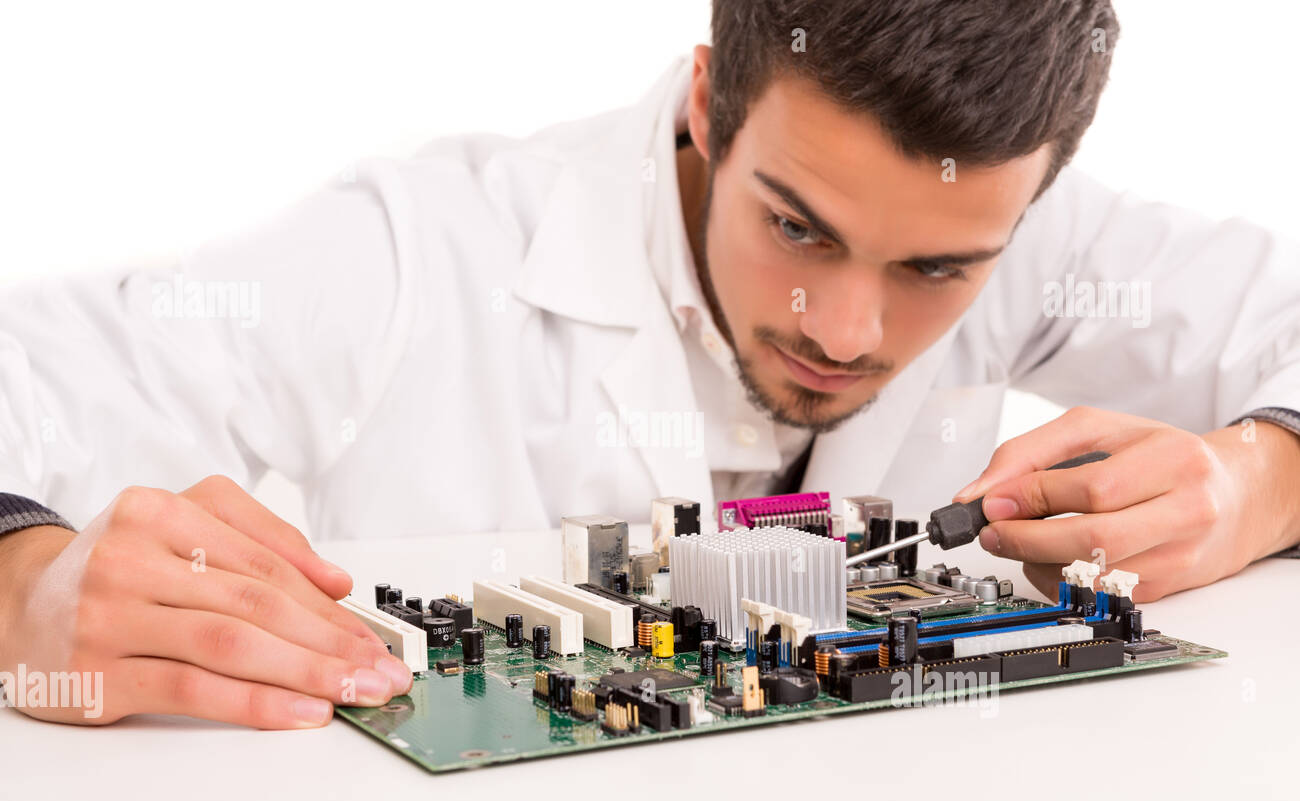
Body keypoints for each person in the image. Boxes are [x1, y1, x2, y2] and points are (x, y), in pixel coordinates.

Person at [2, 0, 1297, 730]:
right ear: (704, 106)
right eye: (797, 226)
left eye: (935, 271)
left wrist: (1258, 483)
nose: (847, 332)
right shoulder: (417, 253)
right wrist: (23, 592)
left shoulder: (1023, 224)